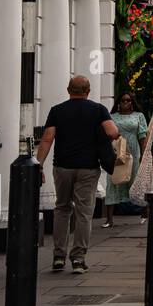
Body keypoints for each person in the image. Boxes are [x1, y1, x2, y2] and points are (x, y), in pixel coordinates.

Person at [36, 76, 118, 272]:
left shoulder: (57, 110)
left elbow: (47, 139)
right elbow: (112, 132)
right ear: (88, 91)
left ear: (68, 90)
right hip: (88, 168)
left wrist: (38, 165)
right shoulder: (98, 110)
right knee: (84, 212)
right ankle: (78, 258)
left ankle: (58, 256)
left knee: (62, 208)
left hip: (63, 167)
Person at [104, 93, 147, 227]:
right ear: (118, 102)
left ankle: (144, 213)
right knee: (113, 181)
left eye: (128, 100)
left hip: (133, 152)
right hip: (116, 152)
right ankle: (109, 219)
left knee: (136, 181)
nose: (125, 102)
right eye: (123, 100)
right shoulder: (112, 117)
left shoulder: (138, 116)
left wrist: (143, 156)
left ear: (133, 102)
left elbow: (142, 137)